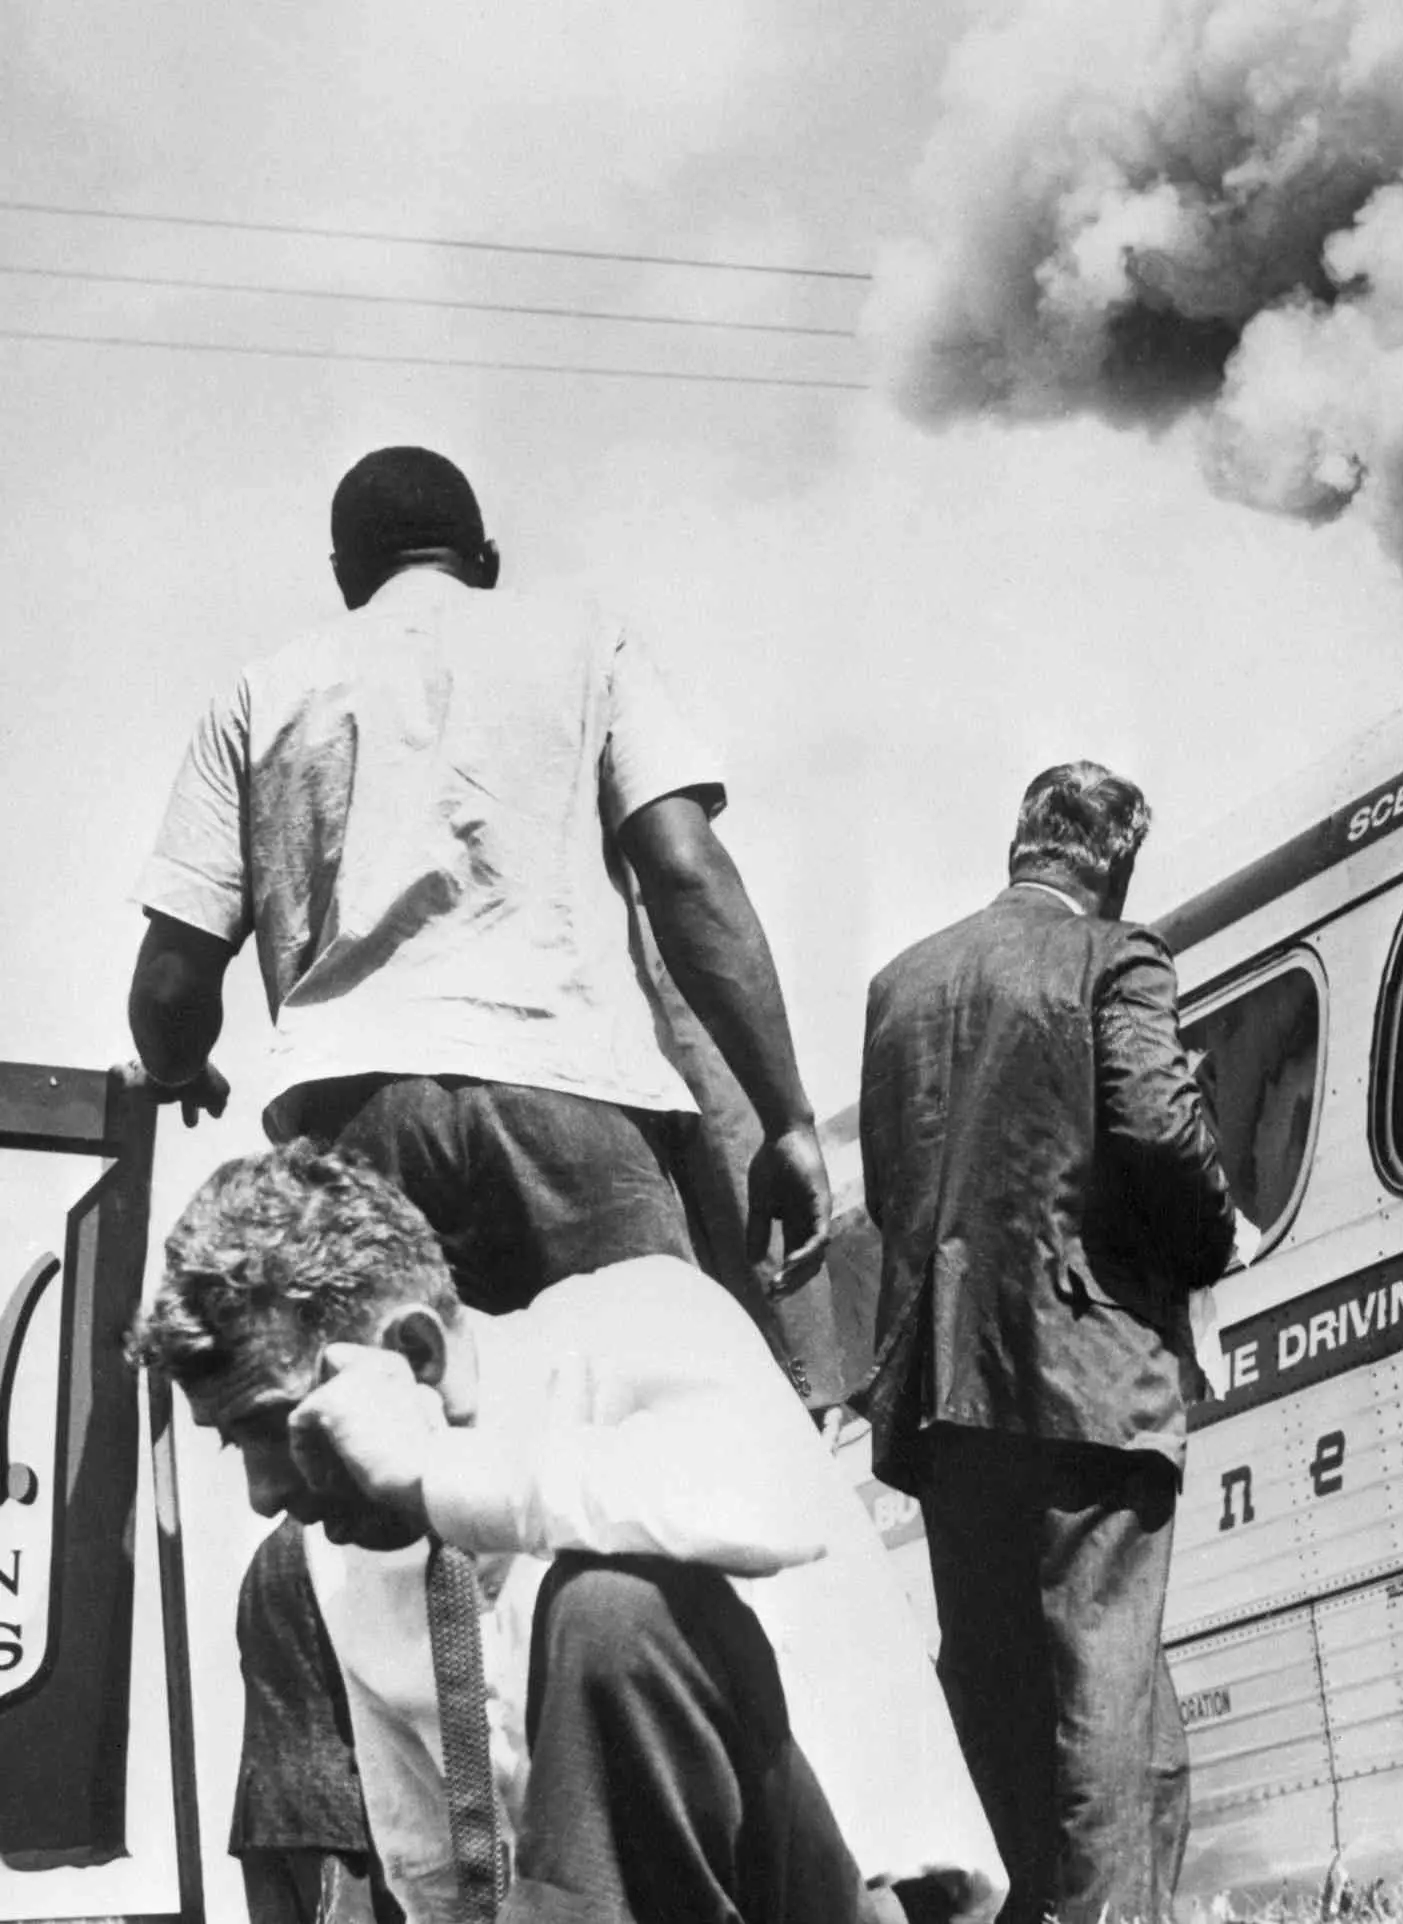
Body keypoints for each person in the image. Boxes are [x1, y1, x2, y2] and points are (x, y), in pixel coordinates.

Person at [129, 1142, 1005, 1924]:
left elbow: (775, 1508)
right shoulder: (337, 1552)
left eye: (278, 1427)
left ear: (418, 1355)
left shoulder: (637, 1320)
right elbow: (428, 1874)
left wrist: (439, 1476)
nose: (262, 1492)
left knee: (612, 1612)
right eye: (232, 1443)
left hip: (837, 1892)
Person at [125, 443, 831, 1311]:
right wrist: (787, 1117)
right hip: (573, 1102)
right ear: (486, 561)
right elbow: (687, 872)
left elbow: (168, 985)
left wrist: (177, 1069)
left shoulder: (261, 694)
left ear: (346, 577)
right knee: (625, 1416)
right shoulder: (588, 648)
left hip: (355, 1129)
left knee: (386, 1430)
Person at [859, 762, 1249, 1924]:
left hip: (944, 1395)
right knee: (1099, 1704)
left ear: (1024, 844)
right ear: (1115, 863)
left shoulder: (900, 985)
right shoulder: (1117, 957)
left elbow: (895, 1191)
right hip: (1084, 1389)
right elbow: (1158, 1133)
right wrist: (1211, 1239)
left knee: (1002, 1705)